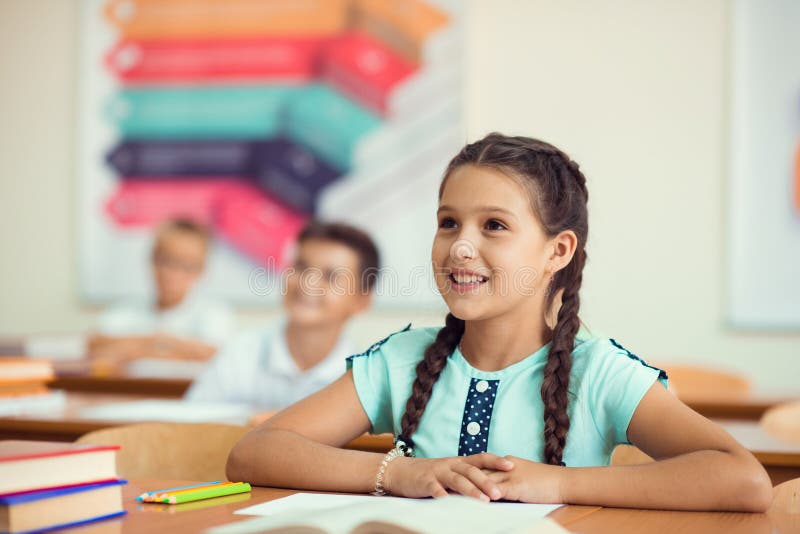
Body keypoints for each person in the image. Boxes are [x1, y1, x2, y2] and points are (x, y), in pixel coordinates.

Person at [226, 133, 773, 512]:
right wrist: (397, 474)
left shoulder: (599, 372)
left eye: (493, 225)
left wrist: (557, 482)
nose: (460, 246)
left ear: (557, 251)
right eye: (448, 222)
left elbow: (743, 479)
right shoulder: (403, 360)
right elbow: (255, 451)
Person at [185, 221, 379, 415]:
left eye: (331, 277)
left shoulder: (363, 380)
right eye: (301, 266)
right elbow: (188, 423)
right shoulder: (240, 352)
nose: (307, 283)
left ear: (362, 301)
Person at [88, 218, 234, 376]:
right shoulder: (127, 309)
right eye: (165, 261)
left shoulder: (214, 313)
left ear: (201, 270)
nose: (171, 273)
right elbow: (95, 344)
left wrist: (135, 349)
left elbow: (216, 355)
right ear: (152, 259)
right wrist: (168, 346)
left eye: (186, 265)